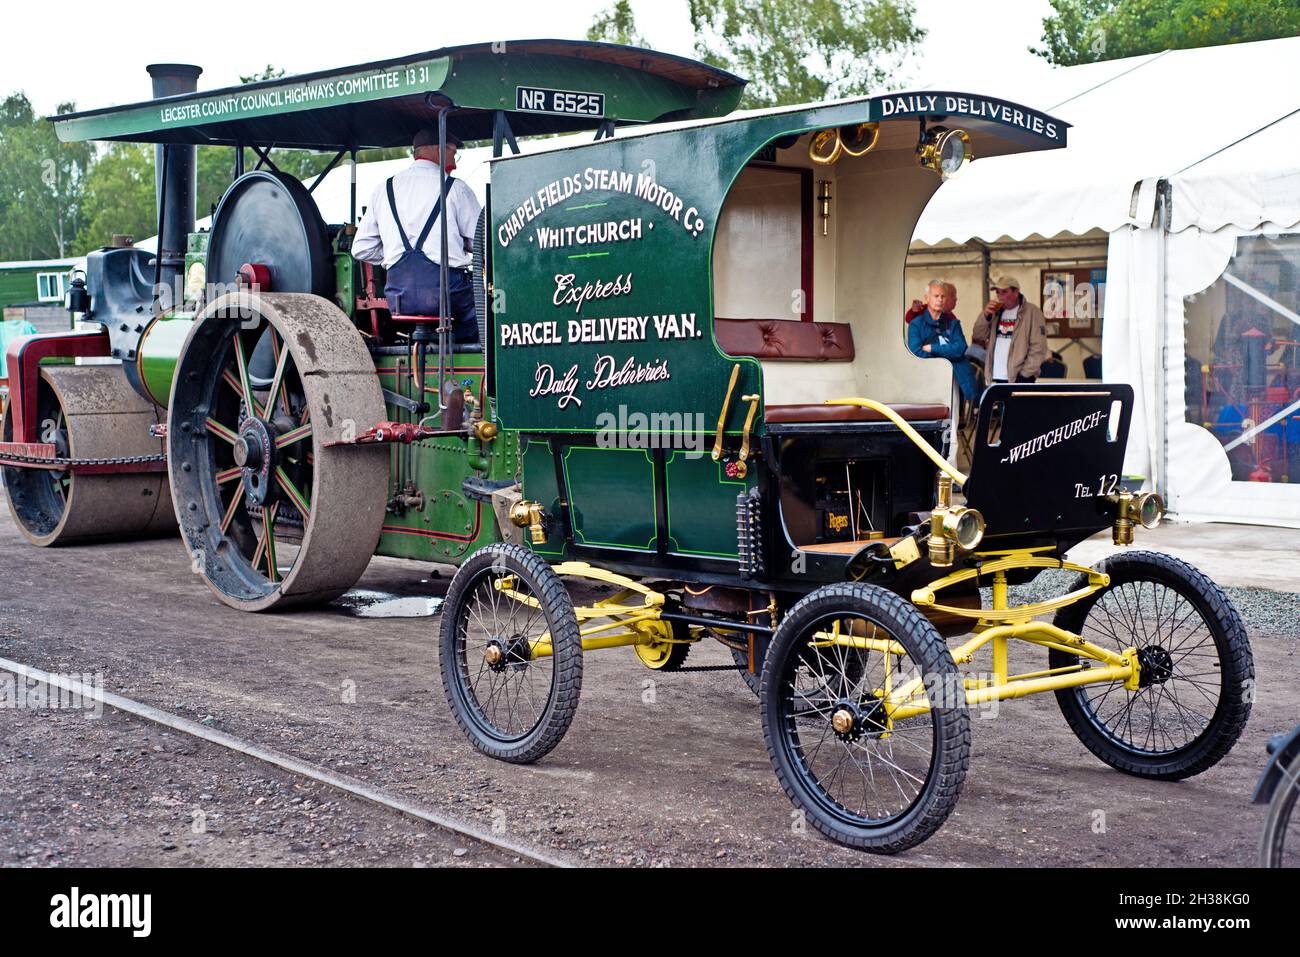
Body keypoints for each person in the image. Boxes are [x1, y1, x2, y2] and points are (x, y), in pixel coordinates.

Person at [352, 128, 482, 344]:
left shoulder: (384, 189)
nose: (455, 163)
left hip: (399, 298)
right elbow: (483, 242)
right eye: (453, 153)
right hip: (448, 296)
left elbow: (361, 248)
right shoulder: (456, 188)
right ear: (440, 150)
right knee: (490, 315)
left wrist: (395, 255)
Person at [970, 275, 1049, 387]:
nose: (1000, 296)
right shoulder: (995, 312)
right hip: (994, 377)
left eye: (1004, 292)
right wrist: (985, 316)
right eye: (997, 292)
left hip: (1020, 377)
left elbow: (1039, 347)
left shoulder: (1032, 312)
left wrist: (1026, 375)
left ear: (1016, 292)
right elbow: (978, 336)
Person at [908, 279, 978, 401]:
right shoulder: (916, 325)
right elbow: (916, 353)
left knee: (956, 418)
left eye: (943, 296)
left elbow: (960, 349)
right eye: (936, 296)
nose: (940, 299)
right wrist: (946, 358)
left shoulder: (953, 323)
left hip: (957, 384)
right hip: (927, 382)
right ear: (927, 298)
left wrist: (932, 348)